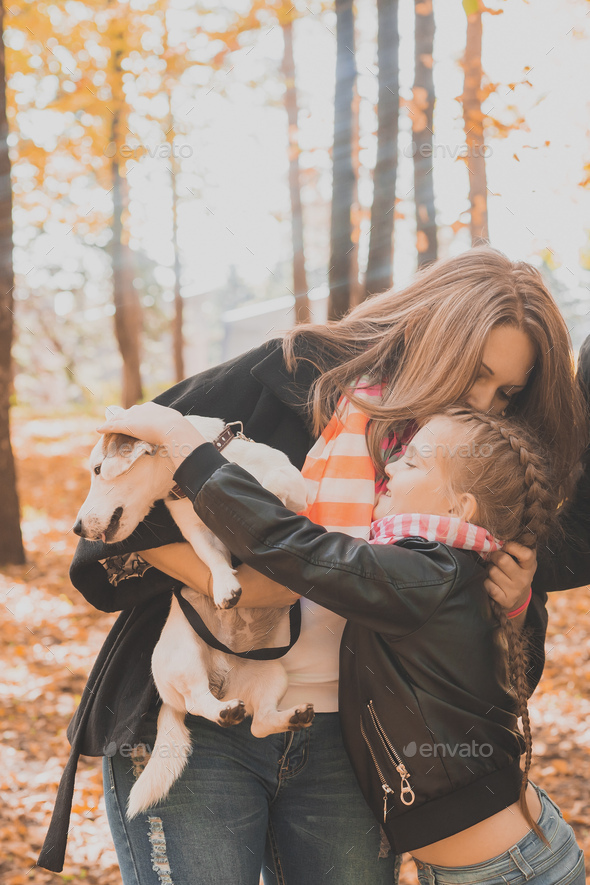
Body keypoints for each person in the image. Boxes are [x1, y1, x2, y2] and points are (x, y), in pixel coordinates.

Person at [38, 248, 589, 883]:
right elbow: (102, 539)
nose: (483, 404)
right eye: (475, 375)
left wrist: (513, 606)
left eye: (506, 394)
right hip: (204, 725)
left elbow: (510, 680)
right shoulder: (289, 376)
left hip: (347, 755)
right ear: (431, 336)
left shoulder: (473, 473)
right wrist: (236, 589)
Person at [93, 401, 587, 885]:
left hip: (510, 871)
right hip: (495, 862)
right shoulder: (456, 573)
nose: (391, 463)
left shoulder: (426, 574)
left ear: (460, 507)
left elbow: (302, 551)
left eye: (412, 461)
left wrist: (190, 453)